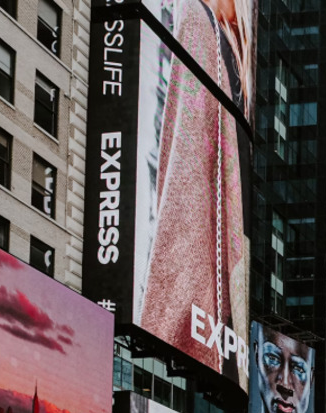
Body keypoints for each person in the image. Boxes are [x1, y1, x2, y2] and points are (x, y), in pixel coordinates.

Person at [138, 0, 253, 387]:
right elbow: (184, 169)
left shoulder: (213, 30)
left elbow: (188, 167)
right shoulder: (202, 24)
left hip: (217, 303)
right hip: (209, 310)